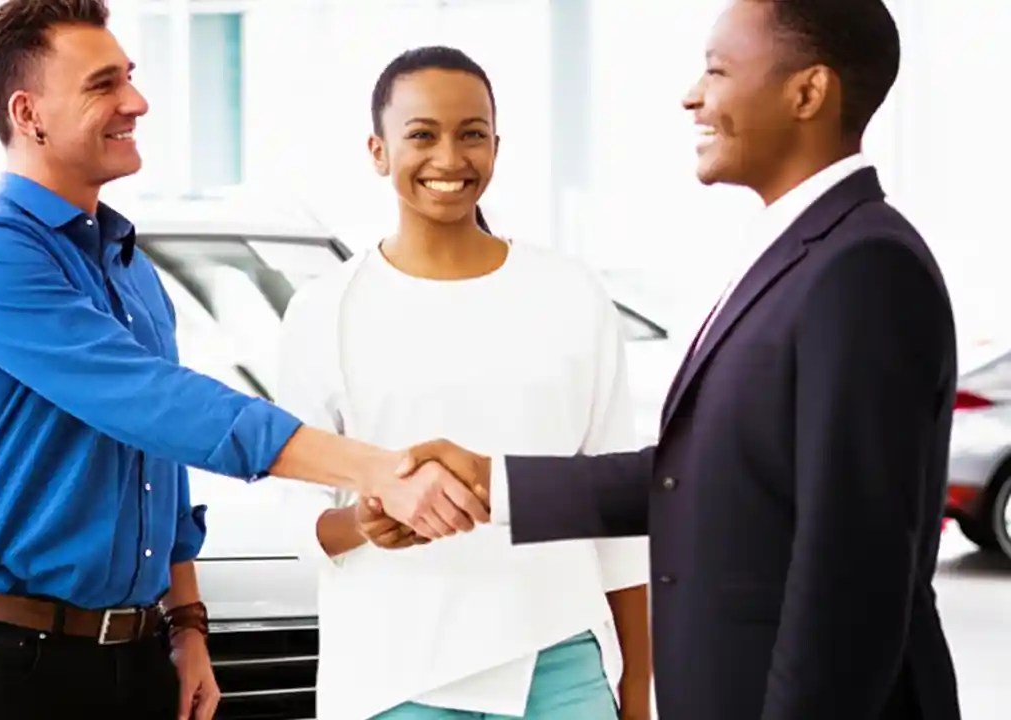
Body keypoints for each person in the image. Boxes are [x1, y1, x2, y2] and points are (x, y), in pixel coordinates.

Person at [0, 3, 488, 719]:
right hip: (10, 669)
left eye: (131, 78)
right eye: (103, 85)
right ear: (29, 114)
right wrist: (379, 470)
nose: (137, 102)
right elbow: (156, 402)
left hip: (138, 659)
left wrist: (187, 626)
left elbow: (158, 466)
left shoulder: (127, 266)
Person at [393, 2, 963, 719]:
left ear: (808, 92)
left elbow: (851, 574)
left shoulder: (865, 267)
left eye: (718, 70)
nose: (691, 94)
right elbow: (699, 475)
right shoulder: (800, 252)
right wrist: (492, 483)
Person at [274, 46, 652, 720]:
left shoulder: (570, 293)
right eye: (422, 135)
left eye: (471, 134)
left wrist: (638, 694)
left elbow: (618, 514)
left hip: (561, 664)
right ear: (377, 150)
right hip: (395, 682)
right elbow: (298, 520)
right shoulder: (324, 311)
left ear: (497, 146)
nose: (450, 158)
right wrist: (362, 521)